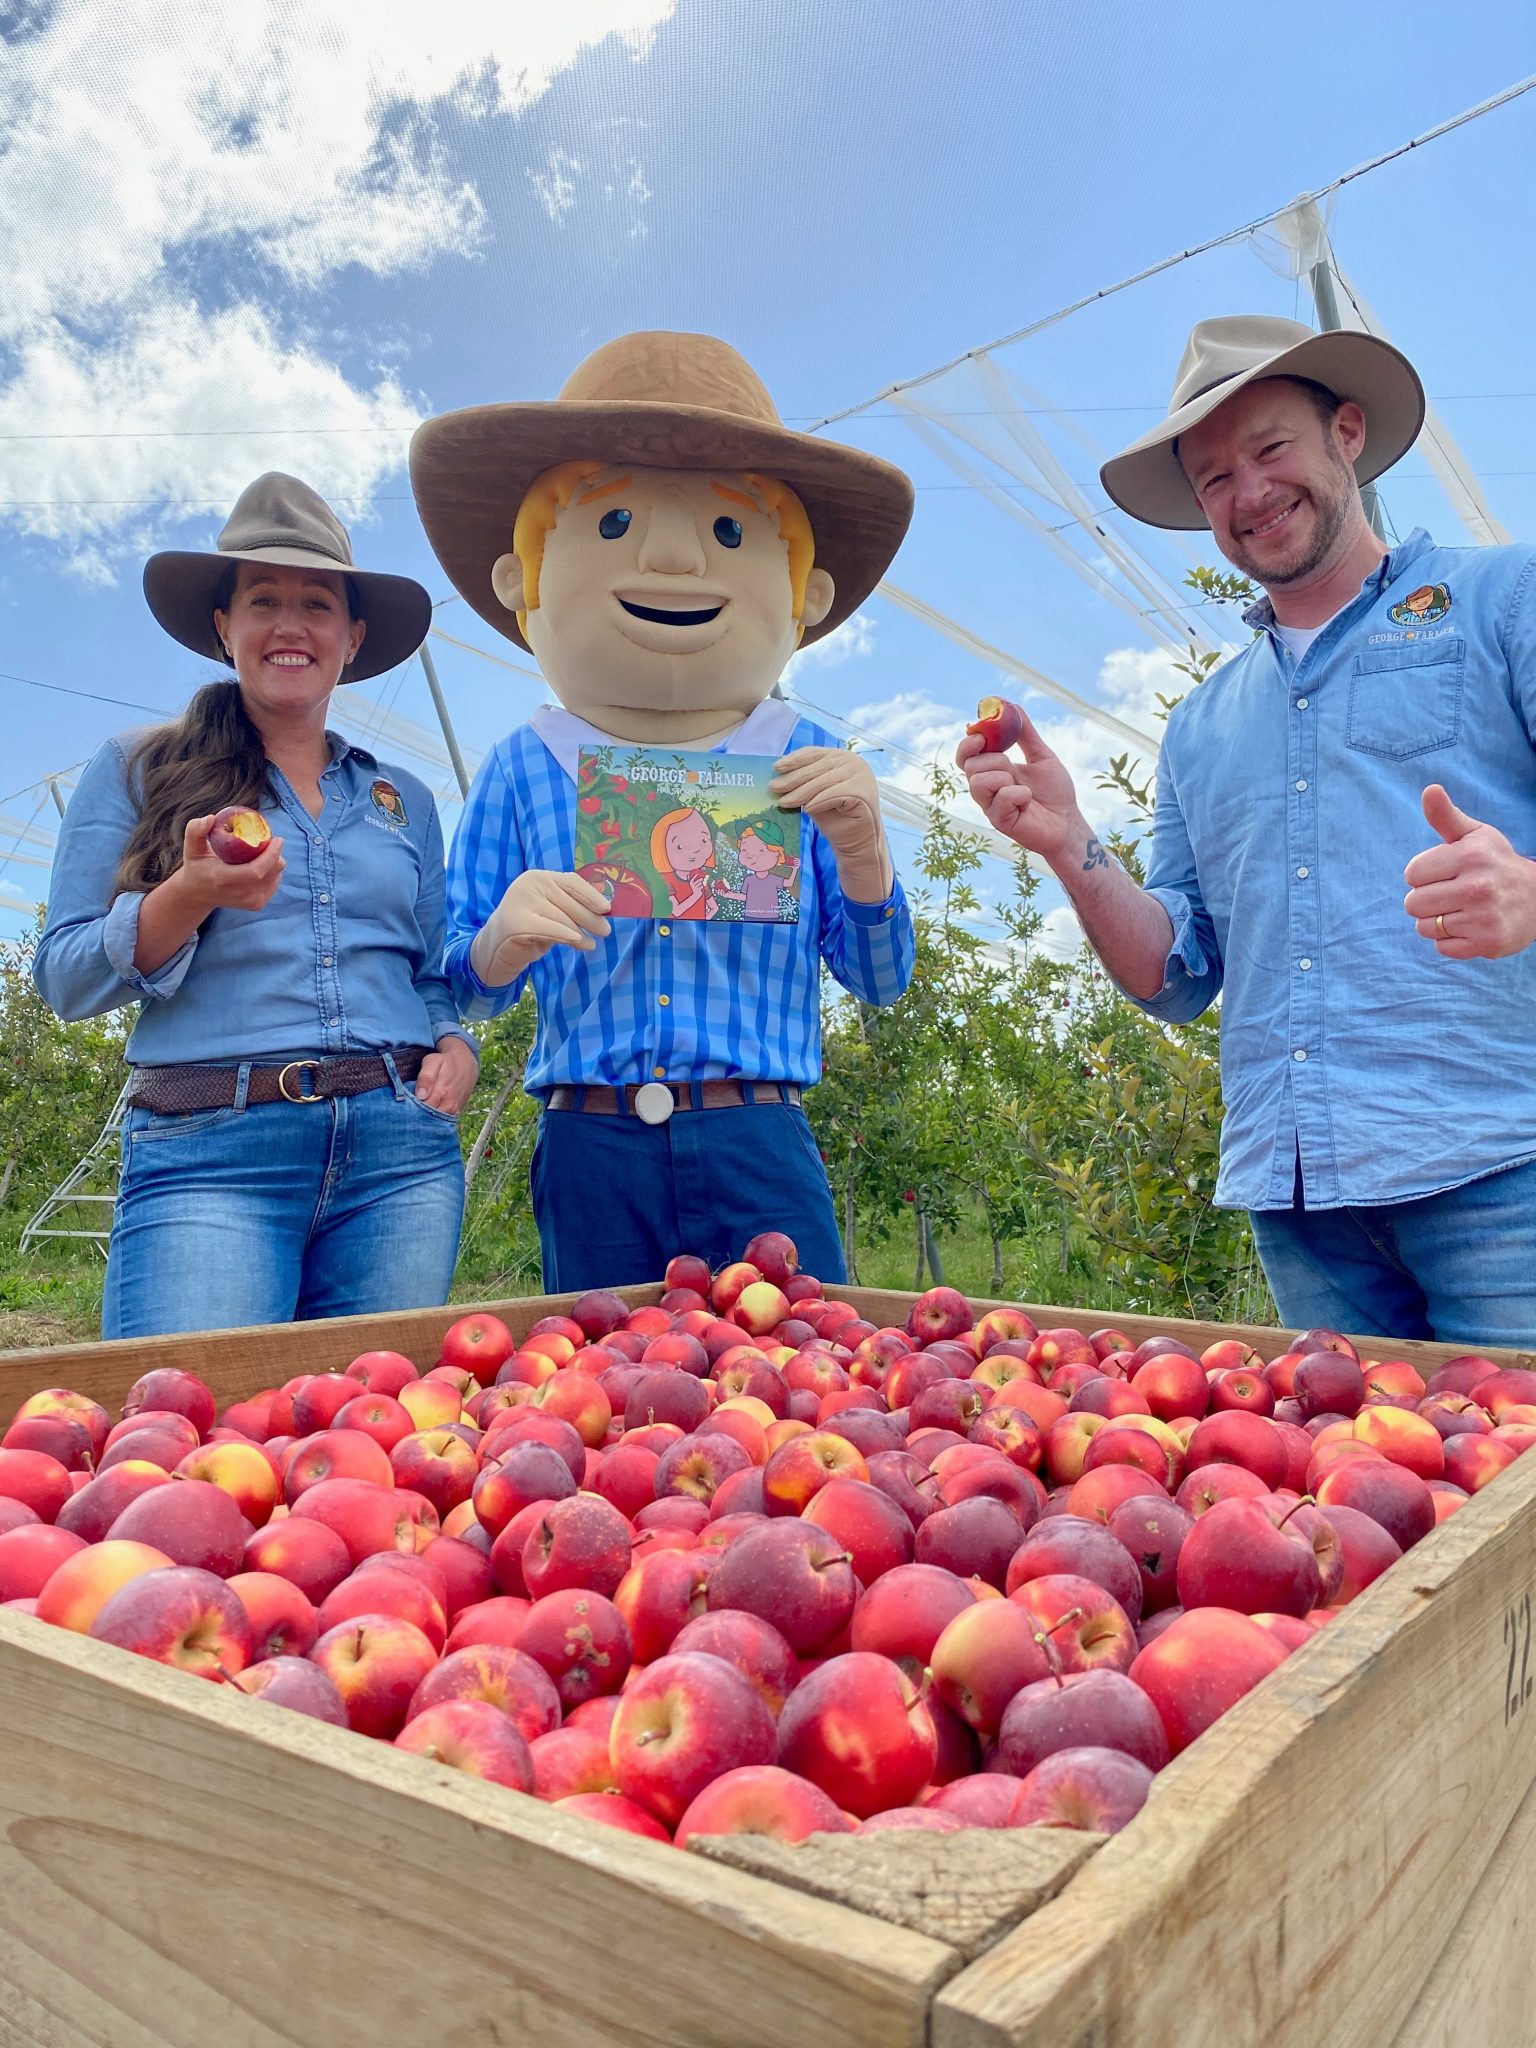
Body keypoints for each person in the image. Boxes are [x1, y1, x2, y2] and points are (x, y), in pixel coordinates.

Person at [959, 314, 1536, 1345]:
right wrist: (1070, 847)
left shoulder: (1502, 600)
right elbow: (1175, 977)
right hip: (1302, 1210)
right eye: (1215, 477)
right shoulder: (1202, 726)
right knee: (1367, 1504)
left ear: (1346, 432)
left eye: (1270, 449)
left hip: (1501, 1170)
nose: (1250, 491)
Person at [410, 331, 916, 1290]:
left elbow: (882, 983)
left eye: (731, 533)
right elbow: (459, 987)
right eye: (611, 525)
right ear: (525, 580)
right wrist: (498, 945)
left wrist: (864, 853)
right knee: (605, 1408)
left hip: (759, 1132)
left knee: (804, 1393)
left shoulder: (803, 766)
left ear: (804, 594)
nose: (676, 556)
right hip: (591, 1142)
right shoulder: (525, 767)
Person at [34, 473, 480, 1338]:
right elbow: (64, 977)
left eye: (316, 603)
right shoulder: (141, 768)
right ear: (223, 627)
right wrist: (190, 893)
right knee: (194, 1446)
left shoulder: (404, 801)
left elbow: (427, 972)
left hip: (399, 1156)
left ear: (351, 638)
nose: (289, 624)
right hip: (211, 1150)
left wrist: (456, 1041)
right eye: (263, 598)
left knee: (373, 1450)